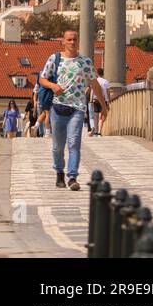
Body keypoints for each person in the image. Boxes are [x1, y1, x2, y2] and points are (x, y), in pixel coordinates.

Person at [38, 29, 108, 190]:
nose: (72, 42)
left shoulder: (85, 62)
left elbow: (95, 84)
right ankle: (59, 172)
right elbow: (42, 79)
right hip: (57, 107)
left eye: (74, 39)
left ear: (78, 41)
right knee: (57, 146)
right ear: (63, 41)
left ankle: (72, 177)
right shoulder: (54, 59)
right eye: (69, 39)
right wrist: (53, 86)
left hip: (77, 108)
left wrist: (104, 106)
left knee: (74, 143)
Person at [92, 67, 112, 136]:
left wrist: (91, 99)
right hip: (103, 100)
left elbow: (93, 90)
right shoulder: (105, 81)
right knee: (102, 116)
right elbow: (107, 92)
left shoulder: (95, 81)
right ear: (103, 73)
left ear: (97, 73)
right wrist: (108, 101)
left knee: (96, 116)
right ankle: (100, 131)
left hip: (96, 100)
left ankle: (96, 132)